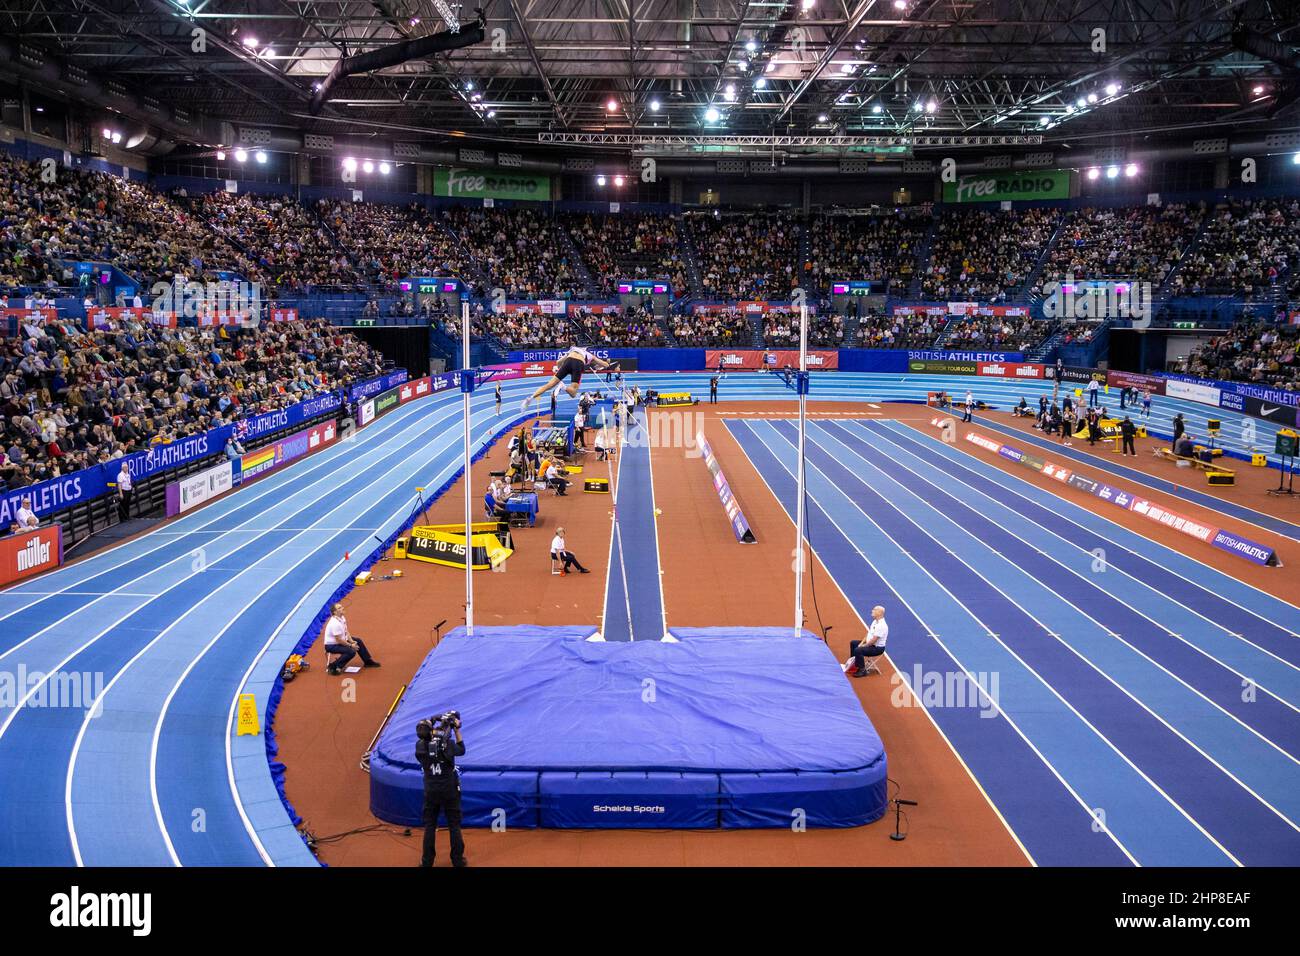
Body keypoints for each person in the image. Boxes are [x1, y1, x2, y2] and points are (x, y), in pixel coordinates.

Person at [416, 714, 467, 868]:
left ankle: (427, 862)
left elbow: (427, 739)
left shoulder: (420, 747)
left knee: (430, 826)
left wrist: (431, 726)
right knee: (454, 825)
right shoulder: (449, 744)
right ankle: (457, 861)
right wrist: (456, 728)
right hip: (449, 790)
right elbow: (462, 749)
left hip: (431, 790)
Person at [521, 345, 615, 411]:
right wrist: (608, 362)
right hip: (578, 363)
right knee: (573, 393)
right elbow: (605, 365)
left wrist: (557, 370)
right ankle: (563, 387)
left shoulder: (572, 350)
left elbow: (558, 362)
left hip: (568, 362)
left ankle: (530, 398)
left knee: (549, 385)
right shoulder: (590, 355)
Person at [322, 602, 380, 674]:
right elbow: (339, 640)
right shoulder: (334, 623)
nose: (343, 608)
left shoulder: (342, 618)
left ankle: (367, 661)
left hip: (341, 640)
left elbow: (346, 631)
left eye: (341, 606)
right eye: (339, 608)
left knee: (358, 641)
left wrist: (352, 641)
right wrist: (350, 645)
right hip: (332, 645)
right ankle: (334, 666)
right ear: (335, 612)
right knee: (351, 651)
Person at [848, 606, 889, 677]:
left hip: (877, 648)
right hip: (870, 644)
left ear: (879, 613)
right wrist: (861, 643)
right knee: (853, 643)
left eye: (874, 610)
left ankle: (862, 670)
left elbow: (874, 640)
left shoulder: (882, 625)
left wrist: (864, 646)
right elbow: (868, 633)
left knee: (858, 650)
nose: (872, 611)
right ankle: (854, 664)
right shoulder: (875, 621)